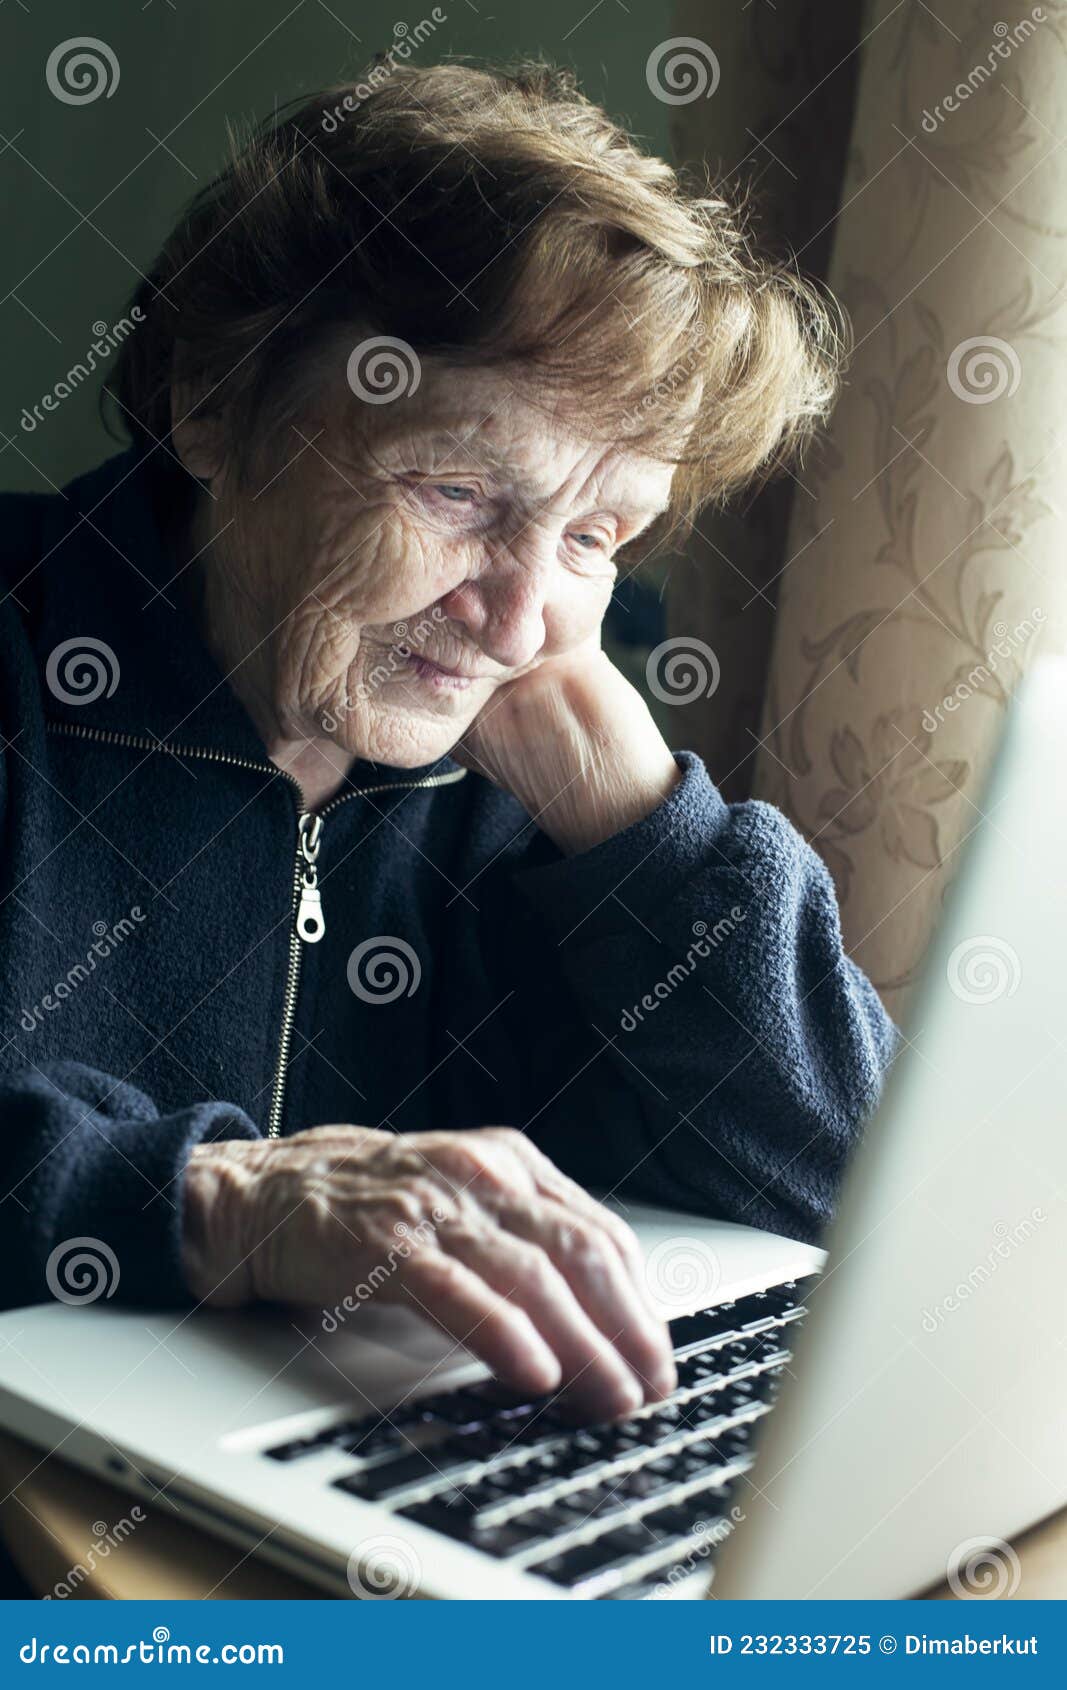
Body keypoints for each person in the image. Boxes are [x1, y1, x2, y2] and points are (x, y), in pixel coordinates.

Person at [0, 62, 895, 1422]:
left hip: (372, 1530)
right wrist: (210, 1201)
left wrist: (649, 827)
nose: (524, 617)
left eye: (599, 535)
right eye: (462, 488)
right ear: (211, 401)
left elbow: (861, 1197)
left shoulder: (539, 795)